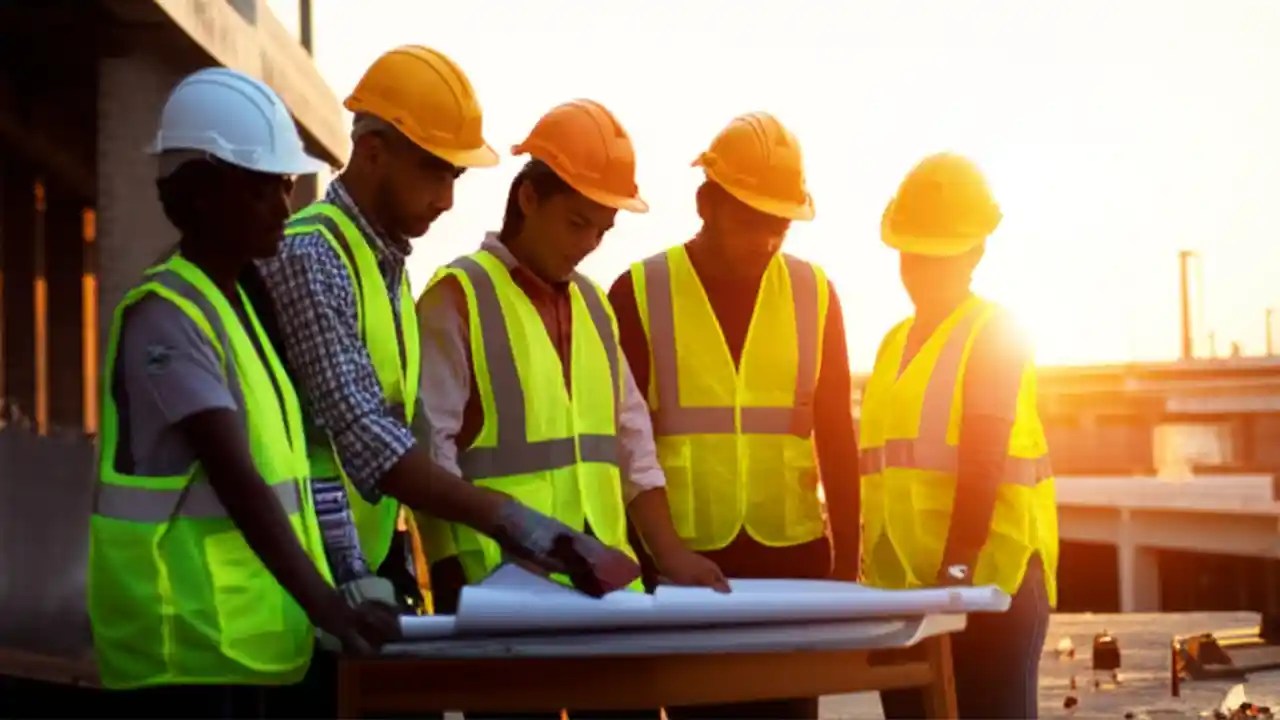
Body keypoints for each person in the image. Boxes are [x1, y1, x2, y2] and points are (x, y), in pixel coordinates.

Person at [250, 49, 642, 716]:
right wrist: (517, 524)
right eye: (433, 171)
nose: (447, 198)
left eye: (455, 176)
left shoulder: (385, 266)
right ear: (372, 152)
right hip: (303, 581)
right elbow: (369, 443)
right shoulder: (314, 255)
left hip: (358, 569)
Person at [86, 67, 401, 719]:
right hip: (182, 654)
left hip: (242, 646)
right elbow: (239, 482)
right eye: (263, 191)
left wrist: (341, 584)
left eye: (285, 187)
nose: (285, 207)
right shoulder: (167, 317)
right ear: (203, 194)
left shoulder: (241, 304)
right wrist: (331, 609)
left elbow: (291, 471)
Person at [414, 98, 728, 719]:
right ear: (529, 198)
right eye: (577, 223)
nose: (588, 245)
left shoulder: (594, 307)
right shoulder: (457, 297)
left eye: (602, 232)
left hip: (607, 591)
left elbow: (633, 444)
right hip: (504, 599)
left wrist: (670, 555)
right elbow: (429, 454)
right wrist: (451, 577)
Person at [607, 111, 862, 720]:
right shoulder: (639, 291)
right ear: (706, 205)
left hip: (795, 560)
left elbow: (836, 434)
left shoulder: (815, 293)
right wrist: (644, 563)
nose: (767, 240)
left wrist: (846, 566)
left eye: (780, 224)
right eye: (752, 219)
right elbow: (621, 443)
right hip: (686, 563)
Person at [862, 153, 1058, 719]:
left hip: (985, 587)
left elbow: (983, 457)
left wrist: (957, 569)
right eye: (913, 253)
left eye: (938, 255)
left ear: (975, 253)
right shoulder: (893, 343)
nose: (922, 268)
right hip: (906, 595)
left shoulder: (994, 332)